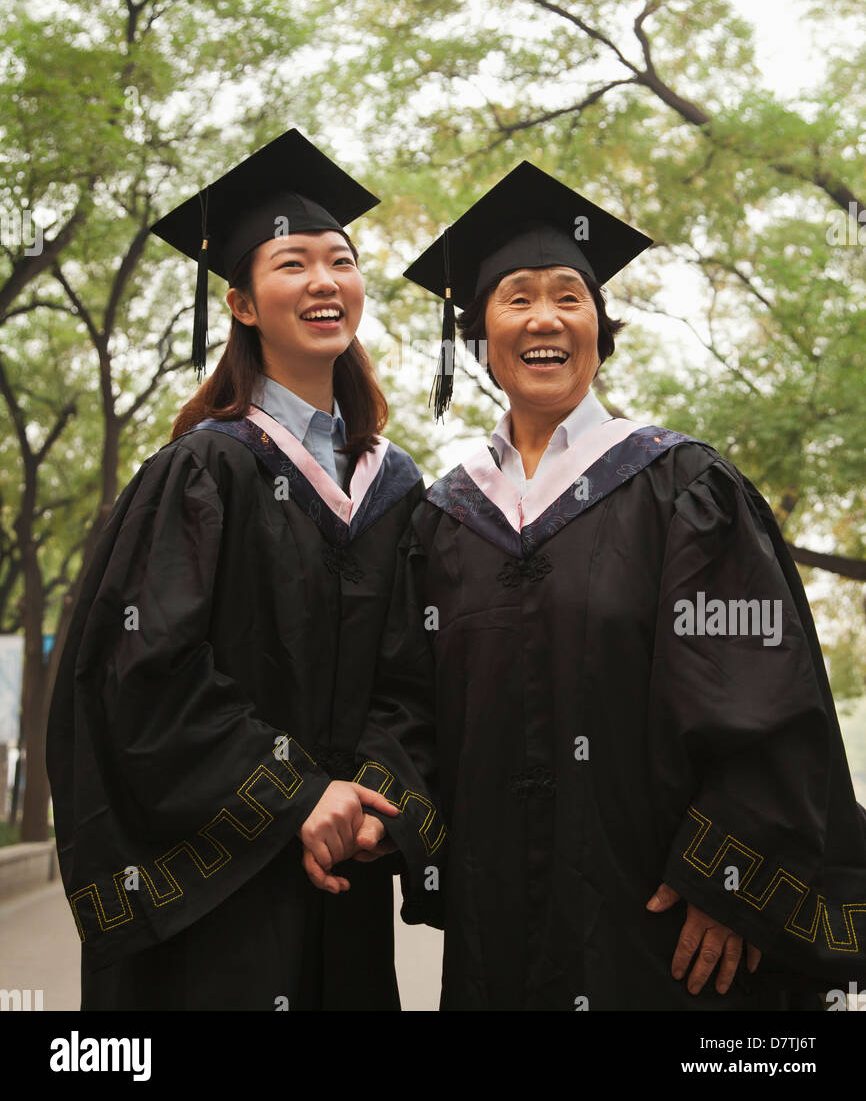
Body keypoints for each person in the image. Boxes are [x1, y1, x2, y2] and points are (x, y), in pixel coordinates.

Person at [401, 158, 866, 1011]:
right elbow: (414, 711)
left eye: (569, 297)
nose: (546, 317)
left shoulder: (683, 488)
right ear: (479, 339)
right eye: (518, 297)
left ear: (601, 332)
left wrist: (731, 879)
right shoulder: (443, 520)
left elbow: (768, 700)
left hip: (664, 933)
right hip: (498, 928)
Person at [47, 127, 444, 1011]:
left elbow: (415, 677)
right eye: (291, 264)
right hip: (221, 884)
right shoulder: (205, 470)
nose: (322, 281)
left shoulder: (396, 487)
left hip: (348, 880)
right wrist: (297, 798)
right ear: (240, 304)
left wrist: (372, 801)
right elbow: (144, 675)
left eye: (339, 261)